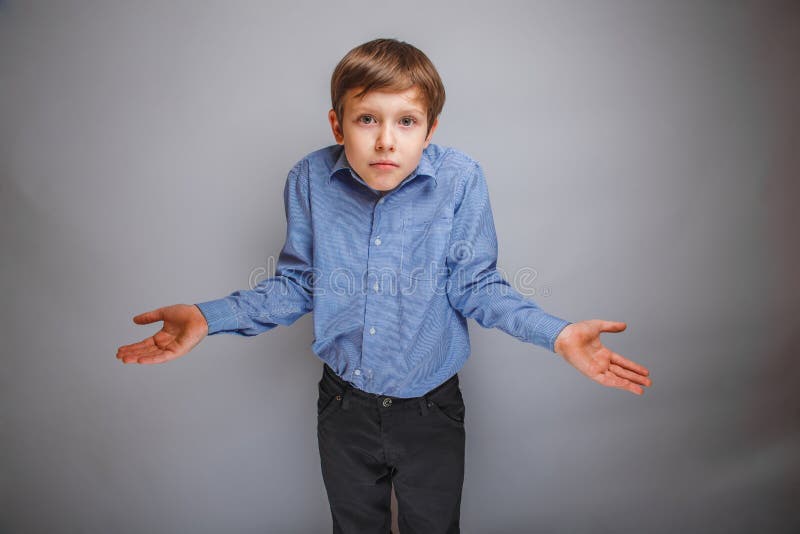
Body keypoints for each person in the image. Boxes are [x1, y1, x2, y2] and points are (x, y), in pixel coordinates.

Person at [116, 38, 652, 534]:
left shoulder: (460, 180)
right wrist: (210, 317)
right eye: (367, 119)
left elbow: (477, 285)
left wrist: (556, 335)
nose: (386, 140)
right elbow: (299, 285)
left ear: (431, 129)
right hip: (342, 406)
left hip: (431, 409)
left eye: (407, 121)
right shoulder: (308, 179)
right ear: (337, 124)